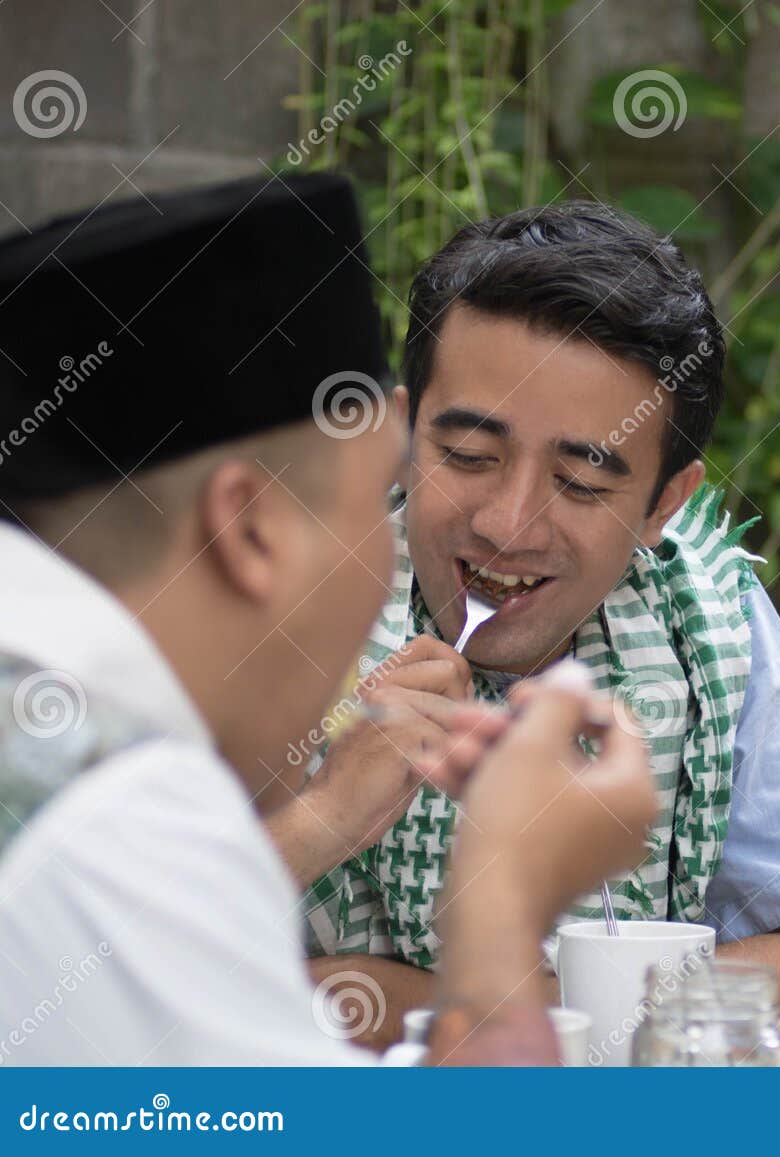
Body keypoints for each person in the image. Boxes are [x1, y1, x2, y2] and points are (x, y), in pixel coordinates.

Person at [0, 173, 656, 1065]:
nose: (504, 526)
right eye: (381, 500)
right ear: (251, 530)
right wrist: (503, 900)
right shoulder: (113, 825)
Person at [284, 202, 780, 1039]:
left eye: (580, 481)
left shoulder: (708, 618)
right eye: (467, 456)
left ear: (662, 507)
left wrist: (574, 1010)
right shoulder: (288, 602)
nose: (509, 524)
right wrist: (322, 818)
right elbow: (148, 955)